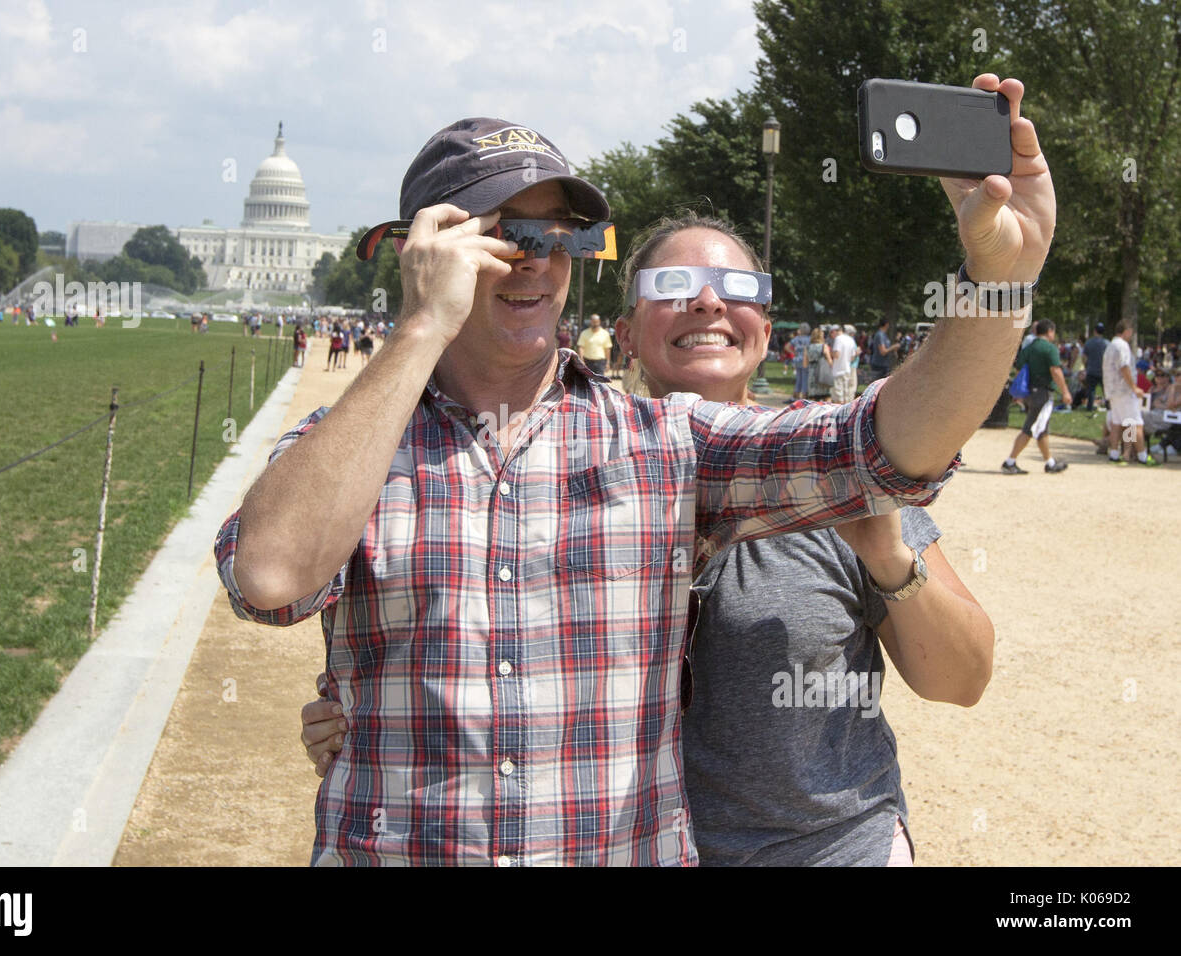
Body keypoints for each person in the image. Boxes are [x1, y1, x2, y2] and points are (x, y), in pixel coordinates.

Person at [220, 82, 1053, 866]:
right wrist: (418, 331)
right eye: (509, 233)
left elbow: (884, 444)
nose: (538, 259)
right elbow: (270, 579)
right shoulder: (355, 445)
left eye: (564, 237)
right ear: (427, 248)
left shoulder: (668, 443)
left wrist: (1000, 282)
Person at [302, 213, 996, 866]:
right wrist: (369, 717)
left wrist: (886, 556)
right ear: (626, 334)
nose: (707, 303)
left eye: (738, 289)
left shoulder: (830, 465)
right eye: (672, 287)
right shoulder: (563, 465)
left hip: (825, 849)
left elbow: (960, 678)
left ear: (766, 327)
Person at [1001, 318, 1072, 474]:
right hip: (1043, 394)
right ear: (1050, 331)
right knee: (1031, 428)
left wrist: (1020, 393)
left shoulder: (1028, 348)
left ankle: (1050, 462)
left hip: (1029, 393)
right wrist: (1065, 391)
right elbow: (1056, 371)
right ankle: (1010, 461)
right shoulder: (1050, 349)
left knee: (1041, 429)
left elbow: (1019, 371)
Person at [1102, 320, 1156, 466]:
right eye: (1131, 331)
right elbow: (1124, 367)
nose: (1131, 334)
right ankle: (1142, 455)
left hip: (1112, 390)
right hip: (1124, 390)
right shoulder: (1123, 346)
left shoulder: (1110, 346)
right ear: (1126, 331)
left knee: (1117, 423)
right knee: (1134, 423)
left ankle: (1114, 454)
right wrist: (1134, 387)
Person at [1079, 322, 1109, 412]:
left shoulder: (1089, 342)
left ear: (1094, 331)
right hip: (1103, 371)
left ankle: (1089, 407)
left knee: (1091, 390)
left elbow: (1084, 357)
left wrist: (1086, 366)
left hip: (1091, 370)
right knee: (1106, 390)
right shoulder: (1106, 343)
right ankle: (1109, 406)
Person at [829, 324, 859, 404]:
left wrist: (829, 352)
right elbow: (852, 357)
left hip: (838, 371)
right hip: (847, 370)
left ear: (835, 331)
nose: (831, 335)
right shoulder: (850, 339)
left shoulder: (838, 339)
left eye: (831, 333)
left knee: (839, 398)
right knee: (846, 398)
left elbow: (836, 355)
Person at [576, 312, 611, 376]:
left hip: (600, 362)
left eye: (596, 322)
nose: (595, 324)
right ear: (590, 322)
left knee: (600, 383)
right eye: (593, 322)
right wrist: (581, 360)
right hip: (587, 362)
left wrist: (608, 363)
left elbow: (607, 349)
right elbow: (581, 347)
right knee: (587, 382)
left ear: (599, 322)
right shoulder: (584, 333)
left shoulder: (605, 334)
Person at [805, 327, 832, 401]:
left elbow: (805, 364)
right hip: (822, 373)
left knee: (813, 397)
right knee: (826, 396)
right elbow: (829, 361)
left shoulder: (807, 347)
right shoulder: (824, 346)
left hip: (812, 373)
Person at [788, 323, 812, 399]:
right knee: (805, 379)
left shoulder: (796, 338)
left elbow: (787, 347)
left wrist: (794, 353)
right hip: (806, 361)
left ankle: (795, 396)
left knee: (798, 378)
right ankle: (804, 397)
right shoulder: (810, 339)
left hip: (797, 360)